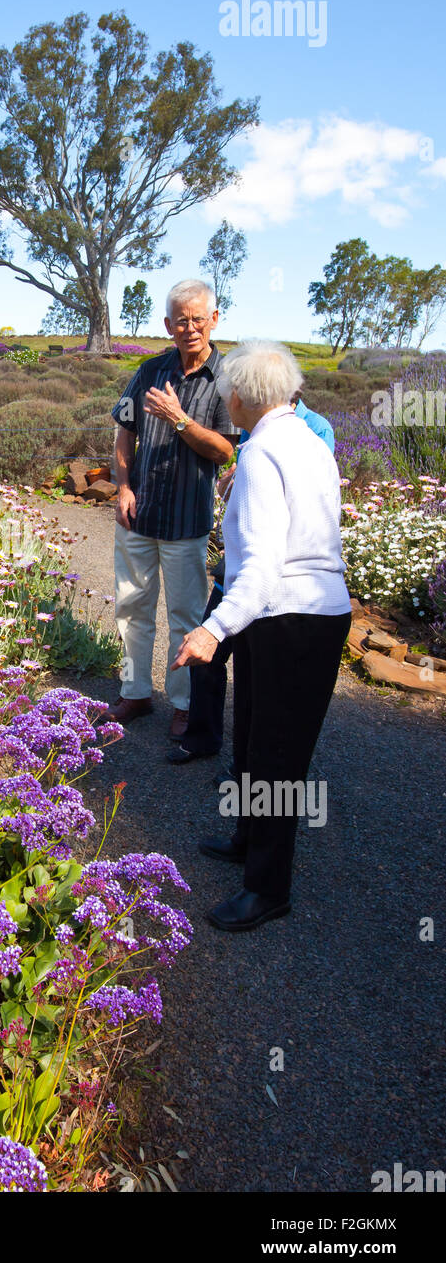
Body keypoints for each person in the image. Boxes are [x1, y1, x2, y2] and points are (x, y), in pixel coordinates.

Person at [172, 340, 351, 933]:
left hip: (291, 617)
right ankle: (249, 837)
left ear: (243, 396)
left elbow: (265, 562)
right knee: (251, 732)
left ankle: (267, 889)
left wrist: (212, 628)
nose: (226, 401)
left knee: (277, 758)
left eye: (228, 393)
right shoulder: (308, 442)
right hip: (286, 617)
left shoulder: (261, 453)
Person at [100, 280, 238, 738]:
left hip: (186, 521)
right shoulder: (148, 371)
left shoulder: (226, 380)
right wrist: (122, 487)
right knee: (132, 607)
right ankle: (135, 693)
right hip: (138, 515)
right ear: (168, 325)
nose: (191, 328)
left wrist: (180, 421)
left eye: (199, 319)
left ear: (214, 320)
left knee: (185, 616)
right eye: (182, 320)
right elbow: (125, 431)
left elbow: (224, 450)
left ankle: (182, 703)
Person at [167, 391, 336, 765]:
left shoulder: (314, 430)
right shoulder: (254, 430)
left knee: (256, 681)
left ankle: (246, 770)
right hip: (237, 572)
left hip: (273, 584)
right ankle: (203, 737)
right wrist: (233, 486)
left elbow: (306, 502)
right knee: (209, 658)